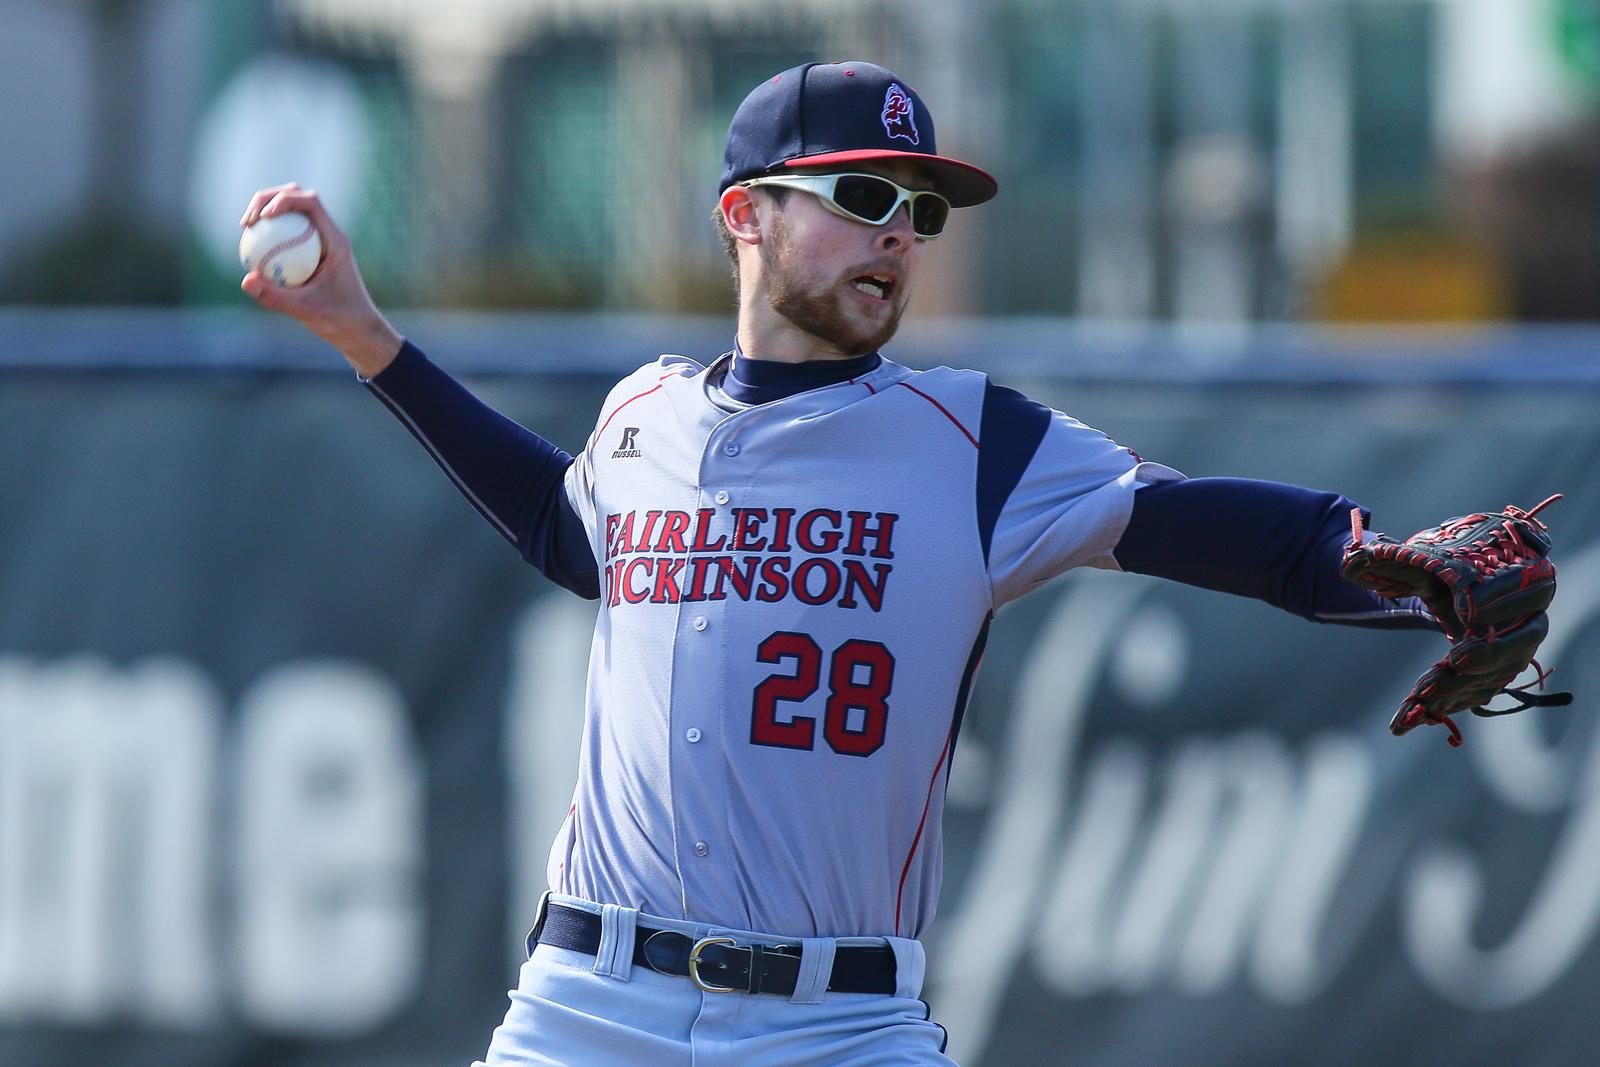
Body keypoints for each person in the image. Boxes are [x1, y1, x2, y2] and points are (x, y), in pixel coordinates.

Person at [242, 60, 1440, 1066]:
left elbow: (1247, 535)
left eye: (917, 212)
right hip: (588, 1003)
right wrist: (366, 337)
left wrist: (1406, 574)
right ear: (743, 215)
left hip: (838, 1023)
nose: (896, 235)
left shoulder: (979, 446)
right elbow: (567, 531)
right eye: (862, 193)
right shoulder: (645, 412)